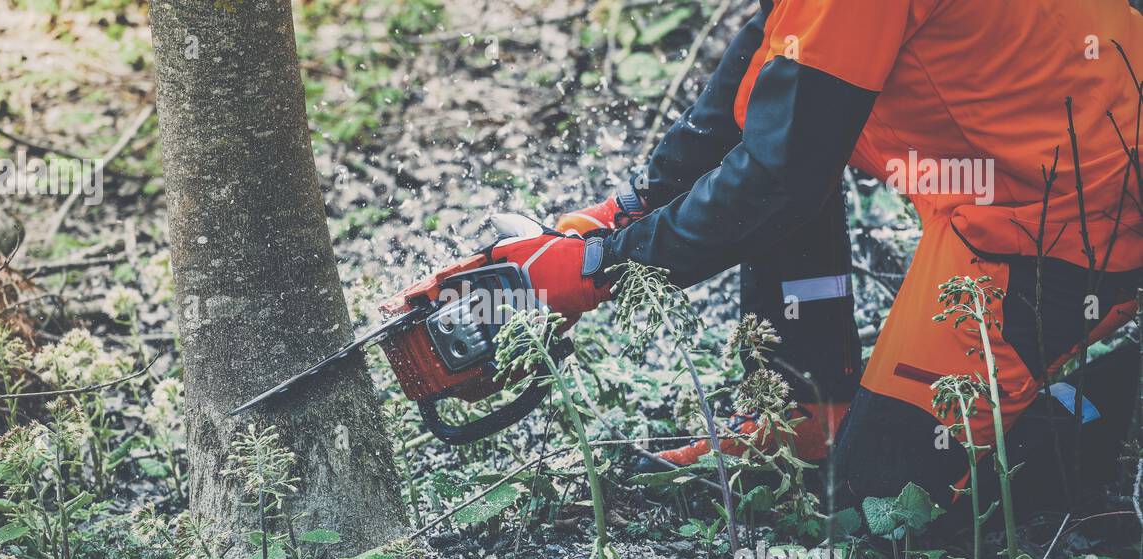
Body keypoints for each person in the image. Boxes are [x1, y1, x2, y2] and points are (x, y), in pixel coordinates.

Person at [485, 0, 1143, 509]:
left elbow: (778, 176)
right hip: (992, 189)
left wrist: (600, 270)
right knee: (790, 136)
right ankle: (807, 410)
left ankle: (1113, 403)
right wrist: (617, 220)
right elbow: (758, 95)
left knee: (885, 498)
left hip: (1074, 227)